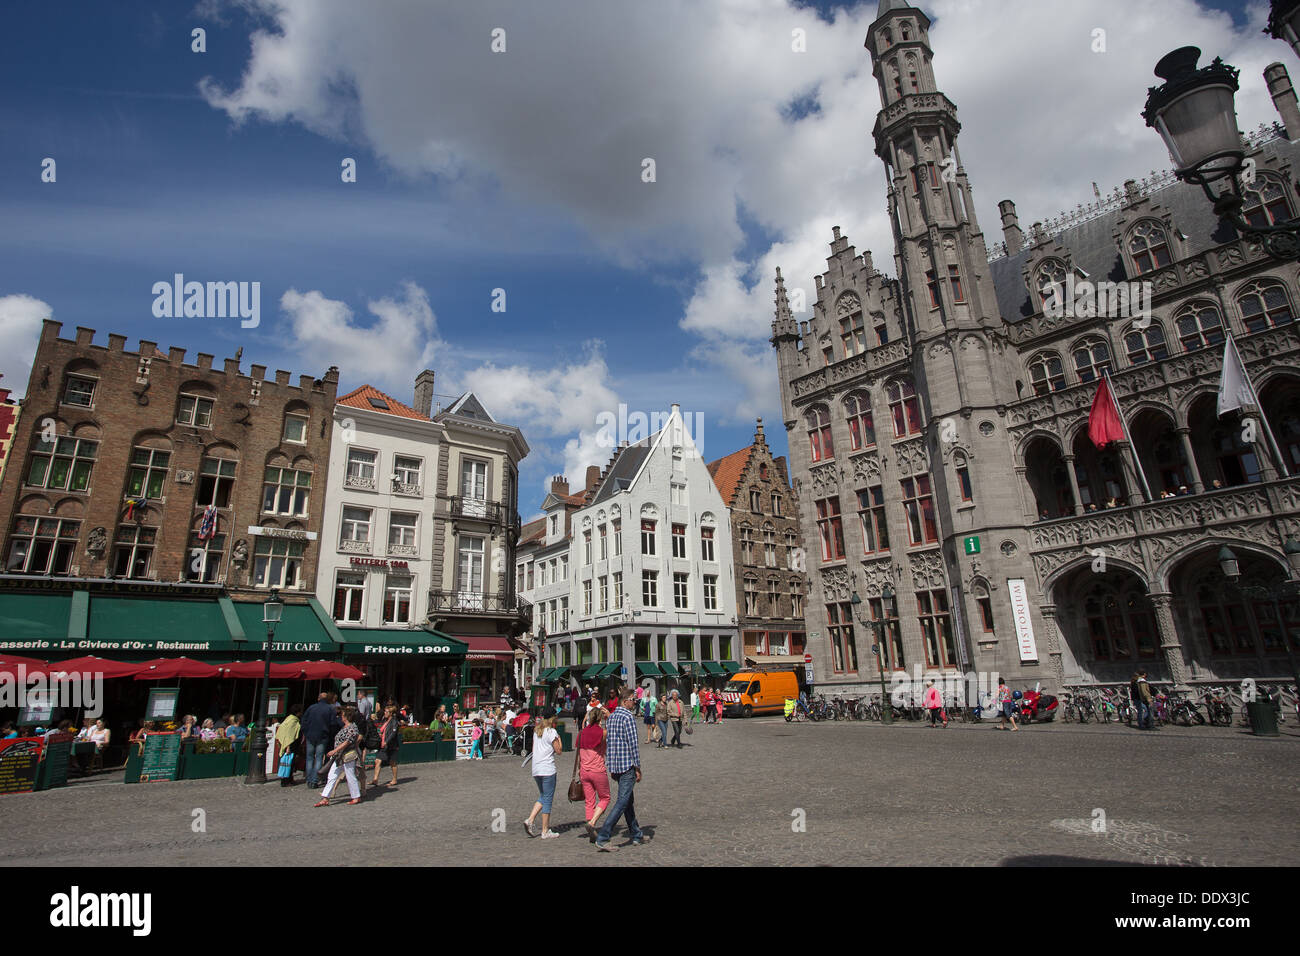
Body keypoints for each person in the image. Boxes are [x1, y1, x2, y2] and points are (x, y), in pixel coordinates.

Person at [595, 688, 644, 852]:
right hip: (627, 766)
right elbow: (633, 744)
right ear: (625, 701)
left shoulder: (612, 716)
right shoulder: (628, 717)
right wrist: (637, 767)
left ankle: (636, 834)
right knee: (622, 802)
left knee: (628, 801)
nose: (634, 702)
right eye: (632, 699)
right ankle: (603, 836)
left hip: (615, 766)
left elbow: (609, 741)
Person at [523, 707, 563, 839]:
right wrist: (559, 739)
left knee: (543, 795)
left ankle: (530, 820)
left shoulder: (537, 730)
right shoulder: (552, 731)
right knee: (548, 799)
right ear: (553, 718)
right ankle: (545, 830)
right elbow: (559, 750)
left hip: (536, 768)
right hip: (548, 769)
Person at [314, 706, 363, 807]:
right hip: (339, 756)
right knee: (332, 775)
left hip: (347, 755)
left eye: (343, 715)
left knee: (350, 776)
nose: (341, 716)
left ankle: (356, 796)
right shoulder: (345, 727)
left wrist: (335, 750)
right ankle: (325, 797)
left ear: (346, 717)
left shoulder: (353, 727)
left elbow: (347, 742)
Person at [579, 707, 611, 842]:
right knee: (605, 798)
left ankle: (591, 830)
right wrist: (609, 717)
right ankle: (592, 822)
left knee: (589, 801)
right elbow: (612, 732)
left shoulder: (582, 733)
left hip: (584, 771)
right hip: (597, 770)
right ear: (600, 719)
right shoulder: (602, 732)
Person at [302, 692, 340, 789]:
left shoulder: (311, 708)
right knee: (319, 758)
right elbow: (333, 724)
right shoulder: (330, 709)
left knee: (310, 758)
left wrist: (306, 732)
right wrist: (330, 734)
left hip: (310, 735)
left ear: (318, 699)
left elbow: (304, 721)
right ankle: (314, 780)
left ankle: (309, 779)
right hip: (323, 736)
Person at [371, 703, 402, 787]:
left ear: (391, 713)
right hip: (382, 744)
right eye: (385, 711)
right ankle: (375, 779)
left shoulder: (394, 721)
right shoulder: (384, 720)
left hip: (391, 745)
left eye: (386, 712)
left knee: (392, 762)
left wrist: (386, 741)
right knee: (377, 760)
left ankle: (394, 779)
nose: (385, 713)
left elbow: (393, 733)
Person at [275, 703, 302, 785]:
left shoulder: (288, 719)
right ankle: (287, 780)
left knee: (287, 762)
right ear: (297, 712)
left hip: (285, 744)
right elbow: (289, 735)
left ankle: (287, 779)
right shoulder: (293, 721)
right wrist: (288, 747)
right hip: (290, 745)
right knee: (289, 763)